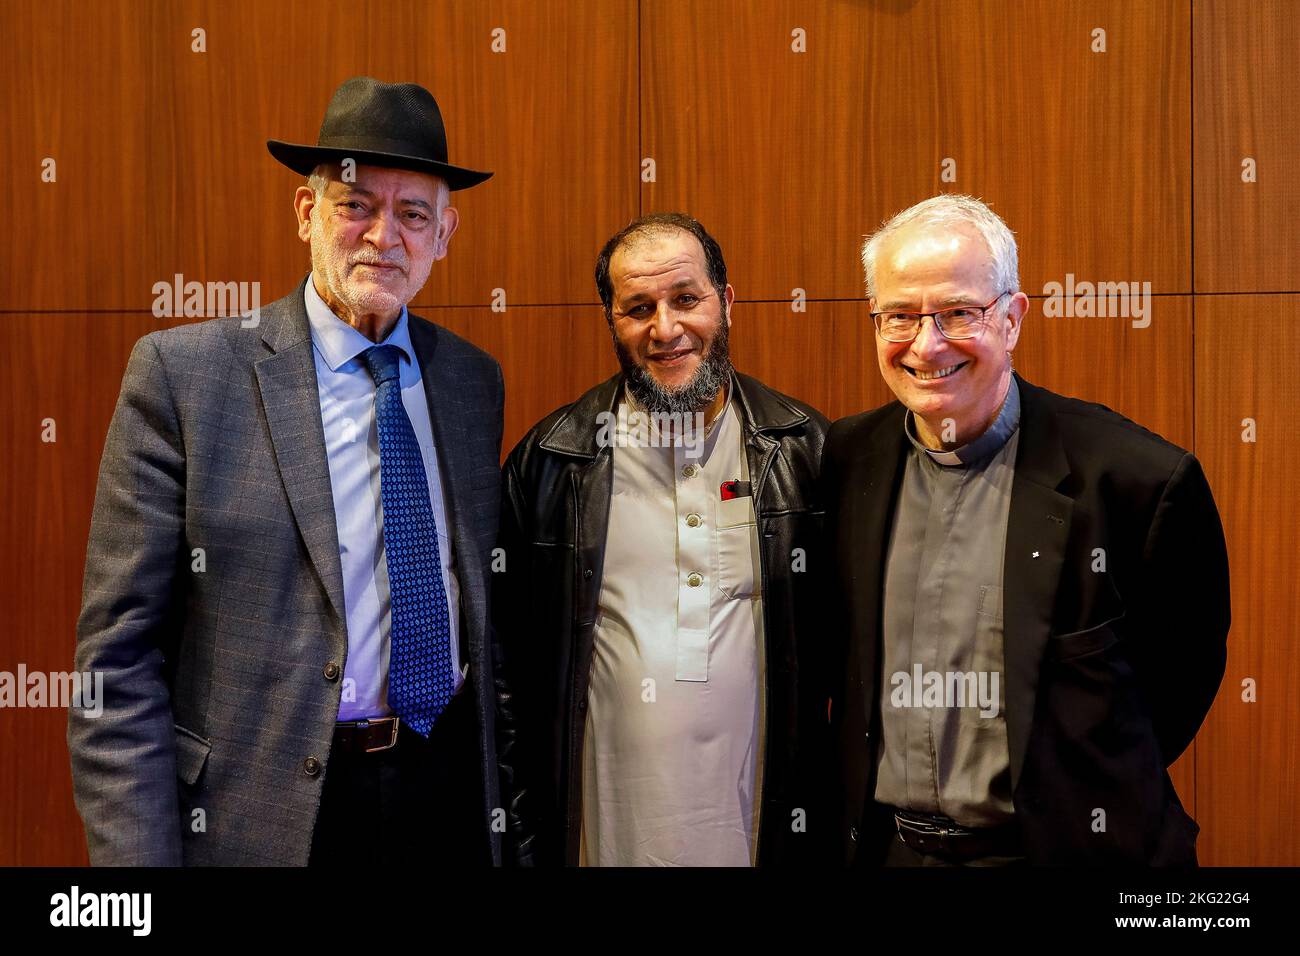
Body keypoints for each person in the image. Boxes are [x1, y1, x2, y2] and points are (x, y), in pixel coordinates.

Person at [68, 76, 507, 866]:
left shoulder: (472, 381)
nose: (383, 236)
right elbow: (118, 661)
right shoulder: (186, 374)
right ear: (307, 214)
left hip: (443, 799)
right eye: (355, 204)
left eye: (412, 214)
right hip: (264, 816)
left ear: (445, 234)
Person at [823, 194, 1230, 866]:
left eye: (958, 312)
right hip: (889, 852)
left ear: (1012, 319)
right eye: (899, 316)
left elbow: (1180, 680)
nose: (926, 344)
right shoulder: (846, 461)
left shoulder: (1137, 482)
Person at [494, 213, 831, 866]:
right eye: (638, 308)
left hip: (760, 833)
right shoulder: (551, 463)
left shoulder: (803, 452)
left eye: (686, 299)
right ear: (612, 322)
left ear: (726, 303)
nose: (666, 329)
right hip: (605, 836)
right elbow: (507, 685)